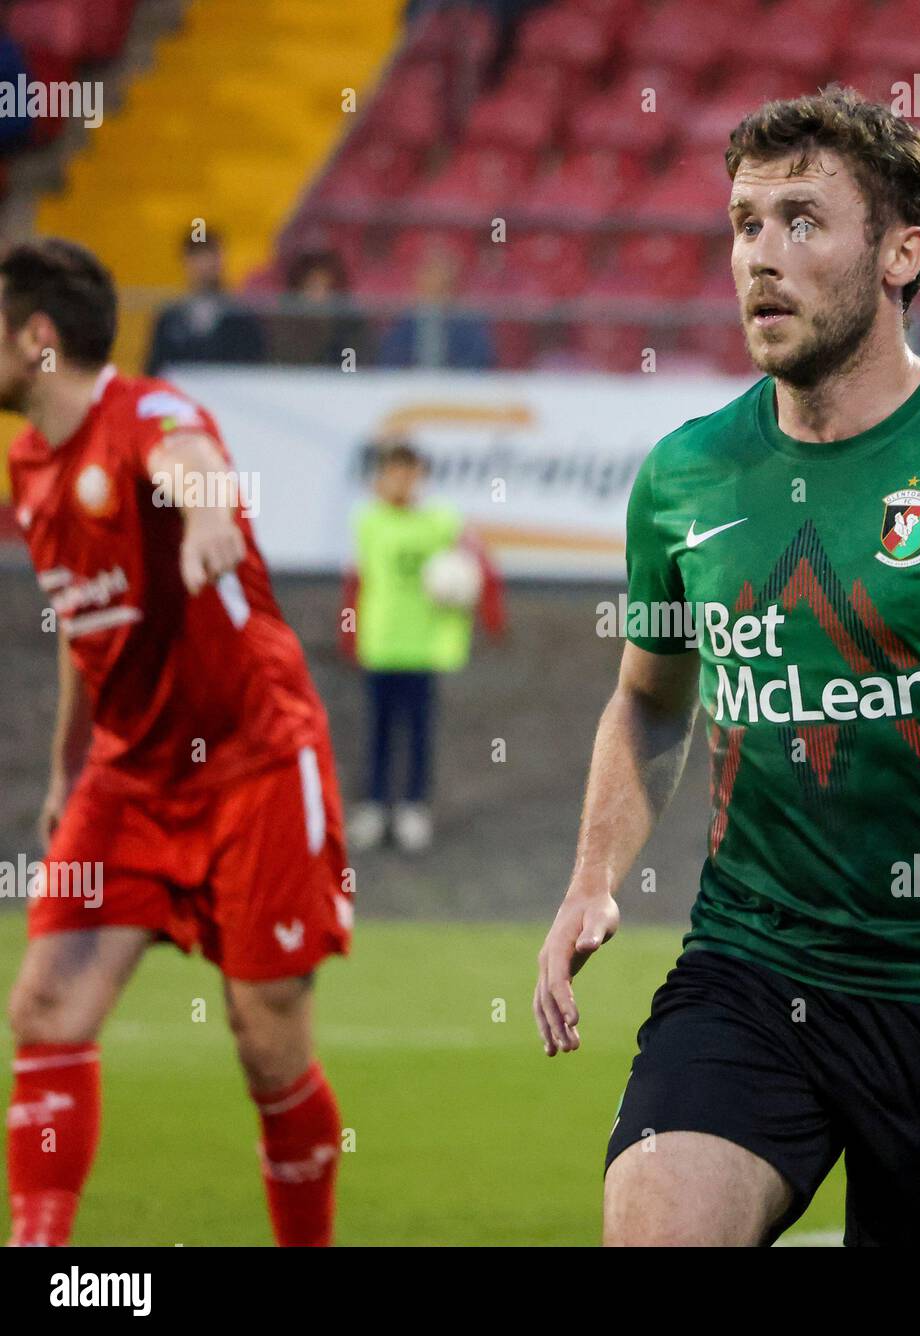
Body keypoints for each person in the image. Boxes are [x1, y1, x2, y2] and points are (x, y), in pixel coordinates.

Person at [533, 85, 920, 1247]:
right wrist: (592, 876)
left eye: (801, 221)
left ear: (900, 252)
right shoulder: (683, 476)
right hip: (747, 962)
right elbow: (645, 703)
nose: (760, 258)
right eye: (743, 223)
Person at [2, 239, 351, 1247]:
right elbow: (82, 617)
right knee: (47, 1003)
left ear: (36, 337)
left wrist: (204, 524)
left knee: (266, 1037)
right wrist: (69, 767)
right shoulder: (30, 464)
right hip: (130, 773)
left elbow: (194, 465)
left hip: (252, 756)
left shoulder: (146, 414)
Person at [341, 440, 504, 853]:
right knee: (377, 728)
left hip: (423, 646)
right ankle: (375, 807)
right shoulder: (368, 521)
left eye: (409, 474)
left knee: (417, 730)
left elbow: (480, 563)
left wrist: (490, 613)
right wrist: (350, 629)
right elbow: (357, 578)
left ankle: (413, 808)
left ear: (420, 477)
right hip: (381, 643)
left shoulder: (441, 521)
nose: (401, 482)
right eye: (394, 473)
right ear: (381, 477)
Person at [144, 229, 265, 375]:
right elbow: (154, 368)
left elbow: (254, 368)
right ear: (185, 261)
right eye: (196, 256)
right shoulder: (170, 318)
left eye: (209, 255)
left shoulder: (241, 317)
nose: (203, 264)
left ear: (221, 259)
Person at [378, 249, 495, 371]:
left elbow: (479, 362)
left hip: (457, 386)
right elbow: (389, 361)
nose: (436, 285)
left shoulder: (468, 323)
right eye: (430, 275)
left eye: (443, 281)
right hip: (411, 386)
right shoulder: (405, 322)